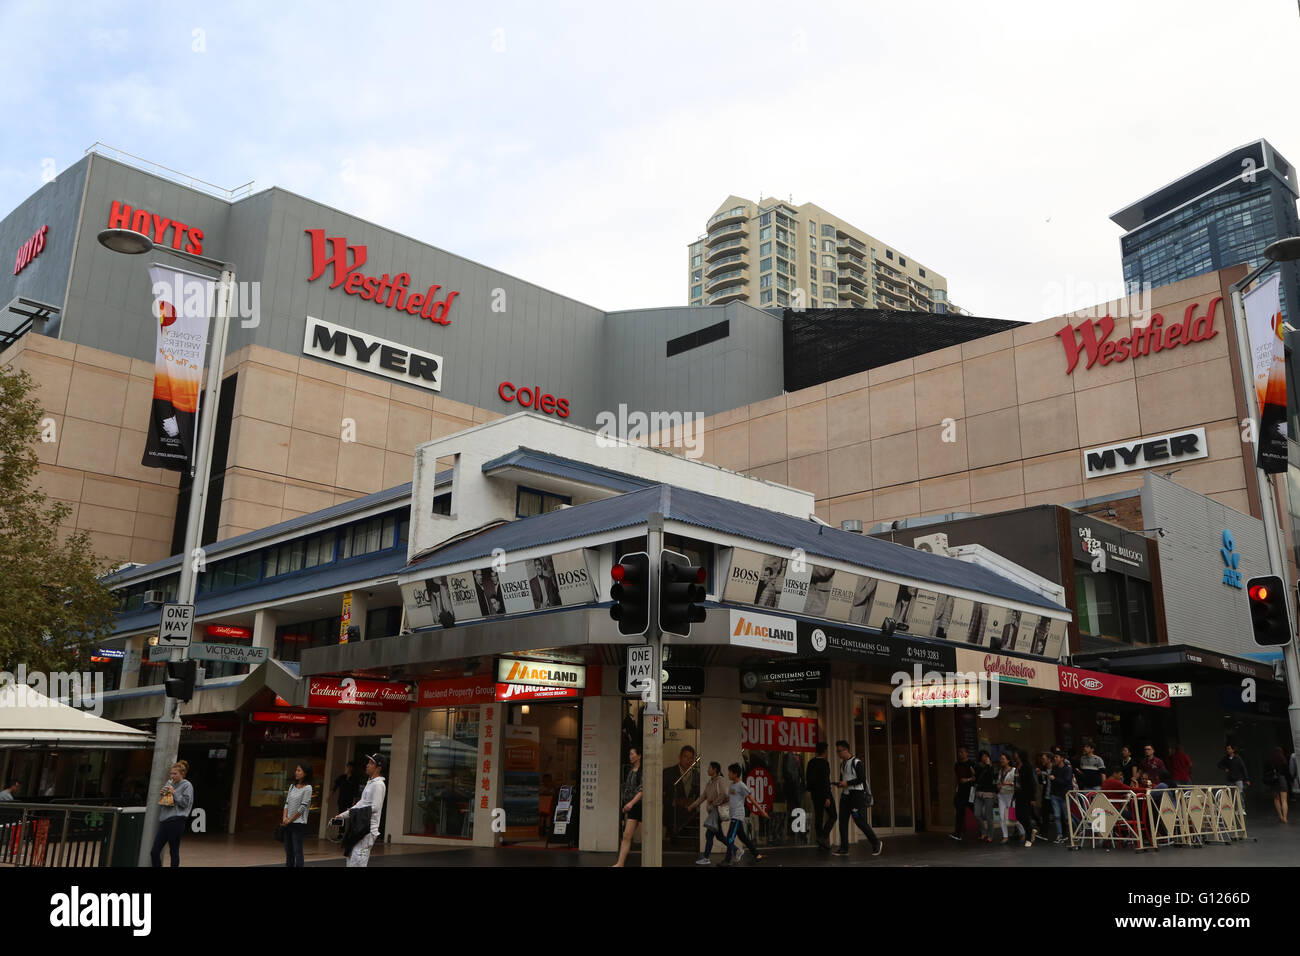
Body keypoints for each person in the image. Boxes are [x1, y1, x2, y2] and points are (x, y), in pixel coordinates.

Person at [333, 753, 386, 868]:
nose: (367, 765)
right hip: (360, 828)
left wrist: (353, 812)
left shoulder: (379, 785)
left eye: (371, 763)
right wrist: (342, 815)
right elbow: (361, 804)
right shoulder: (370, 783)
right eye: (368, 762)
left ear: (379, 768)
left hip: (367, 830)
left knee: (358, 861)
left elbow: (376, 807)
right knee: (351, 859)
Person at [834, 740, 882, 856]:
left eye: (840, 751)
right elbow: (844, 779)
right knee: (843, 822)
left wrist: (847, 783)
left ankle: (876, 842)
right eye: (837, 751)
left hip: (857, 796)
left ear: (846, 750)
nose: (838, 754)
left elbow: (861, 778)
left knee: (860, 821)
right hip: (845, 796)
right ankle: (844, 848)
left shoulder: (857, 762)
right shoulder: (843, 764)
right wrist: (840, 784)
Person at [150, 761, 194, 867]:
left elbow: (185, 803)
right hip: (165, 820)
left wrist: (174, 793)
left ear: (182, 774)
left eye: (175, 774)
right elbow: (165, 803)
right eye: (171, 773)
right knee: (154, 851)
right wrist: (163, 794)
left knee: (173, 851)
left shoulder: (187, 785)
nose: (172, 776)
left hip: (177, 820)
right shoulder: (169, 783)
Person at [719, 763, 763, 865]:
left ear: (735, 774)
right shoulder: (732, 785)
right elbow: (730, 799)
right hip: (733, 815)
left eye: (730, 772)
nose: (728, 774)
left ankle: (727, 860)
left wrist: (760, 810)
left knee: (730, 838)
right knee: (744, 838)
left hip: (737, 816)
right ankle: (757, 855)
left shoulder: (741, 786)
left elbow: (751, 798)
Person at [687, 761, 728, 864]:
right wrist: (692, 806)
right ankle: (736, 850)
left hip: (717, 812)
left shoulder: (720, 780)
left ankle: (706, 857)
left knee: (709, 834)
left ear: (714, 770)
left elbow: (724, 794)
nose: (707, 769)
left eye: (709, 768)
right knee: (719, 836)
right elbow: (703, 797)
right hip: (713, 812)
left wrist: (714, 803)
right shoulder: (710, 782)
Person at [612, 746, 643, 867]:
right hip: (633, 808)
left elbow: (641, 790)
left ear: (639, 756)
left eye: (632, 754)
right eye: (630, 754)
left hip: (641, 806)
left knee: (645, 837)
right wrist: (626, 803)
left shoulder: (642, 771)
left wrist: (631, 803)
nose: (630, 756)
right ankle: (620, 863)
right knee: (626, 836)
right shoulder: (630, 770)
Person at [807, 741, 837, 849]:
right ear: (825, 751)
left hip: (815, 795)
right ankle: (823, 837)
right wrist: (827, 797)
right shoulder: (824, 763)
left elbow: (809, 781)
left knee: (818, 817)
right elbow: (825, 781)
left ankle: (821, 841)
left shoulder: (811, 763)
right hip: (824, 794)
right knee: (833, 815)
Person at [282, 763, 313, 867]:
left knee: (297, 851)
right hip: (287, 822)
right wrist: (284, 818)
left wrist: (290, 820)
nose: (296, 772)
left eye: (299, 770)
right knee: (288, 851)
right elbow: (286, 803)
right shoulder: (292, 786)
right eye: (296, 770)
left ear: (305, 773)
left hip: (298, 823)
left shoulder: (308, 788)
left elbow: (302, 807)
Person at [995, 752, 1026, 844]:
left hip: (1011, 796)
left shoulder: (1014, 770)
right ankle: (1005, 836)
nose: (1001, 760)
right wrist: (998, 786)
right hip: (1002, 796)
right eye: (1001, 759)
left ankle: (1023, 833)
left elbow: (1018, 783)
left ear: (1008, 760)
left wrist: (1009, 783)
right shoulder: (1000, 771)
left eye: (1003, 759)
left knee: (1014, 817)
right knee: (1001, 816)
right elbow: (998, 781)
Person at [1048, 751, 1074, 844]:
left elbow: (1066, 781)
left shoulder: (1068, 769)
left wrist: (1054, 779)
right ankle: (1059, 834)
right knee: (1057, 816)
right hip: (1055, 794)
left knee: (1067, 816)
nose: (1055, 759)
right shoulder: (1054, 768)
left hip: (1064, 795)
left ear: (1062, 758)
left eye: (1057, 757)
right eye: (1054, 757)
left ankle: (1074, 832)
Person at [1013, 751, 1038, 847]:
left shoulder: (1027, 766)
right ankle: (1031, 830)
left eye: (1016, 754)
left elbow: (1031, 782)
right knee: (1018, 815)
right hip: (1018, 794)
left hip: (1026, 795)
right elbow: (1016, 781)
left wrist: (1032, 798)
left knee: (1026, 815)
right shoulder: (1016, 766)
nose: (1015, 756)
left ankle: (1029, 838)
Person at [951, 746, 976, 841]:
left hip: (970, 791)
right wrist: (956, 789)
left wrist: (967, 779)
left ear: (966, 753)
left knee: (975, 811)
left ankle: (983, 831)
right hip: (961, 791)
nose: (960, 754)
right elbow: (957, 778)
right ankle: (957, 833)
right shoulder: (957, 765)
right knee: (959, 812)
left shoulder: (971, 764)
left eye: (962, 752)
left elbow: (975, 777)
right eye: (959, 752)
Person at [972, 751, 998, 844]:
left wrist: (988, 766)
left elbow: (991, 778)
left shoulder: (991, 767)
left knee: (988, 816)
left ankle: (990, 835)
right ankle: (983, 831)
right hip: (979, 793)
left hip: (988, 793)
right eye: (983, 756)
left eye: (986, 756)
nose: (985, 758)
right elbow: (977, 777)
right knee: (977, 814)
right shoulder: (977, 766)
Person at [1263, 746, 1289, 823]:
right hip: (1282, 779)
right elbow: (1286, 772)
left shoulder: (1270, 761)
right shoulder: (1283, 760)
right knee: (1284, 800)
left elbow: (1266, 771)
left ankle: (1280, 816)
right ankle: (1285, 817)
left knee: (1276, 799)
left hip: (1274, 781)